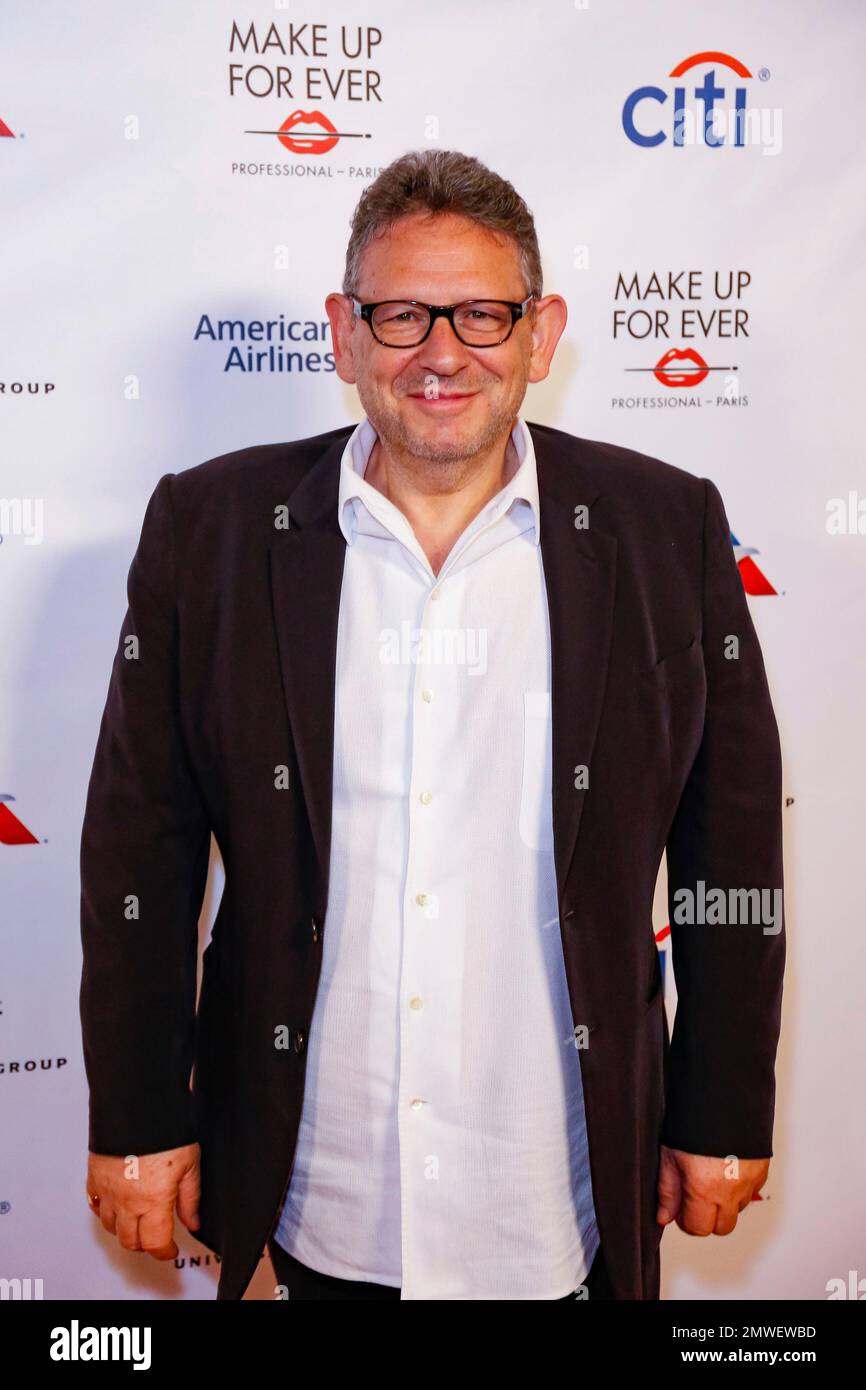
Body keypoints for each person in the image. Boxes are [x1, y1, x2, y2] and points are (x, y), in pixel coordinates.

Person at [80, 149, 785, 1301]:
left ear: (540, 333)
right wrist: (142, 1116)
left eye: (482, 314)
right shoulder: (210, 529)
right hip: (312, 1191)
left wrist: (718, 1106)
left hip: (555, 1196)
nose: (442, 352)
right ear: (344, 333)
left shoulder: (666, 527)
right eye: (401, 314)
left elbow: (730, 848)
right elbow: (139, 856)